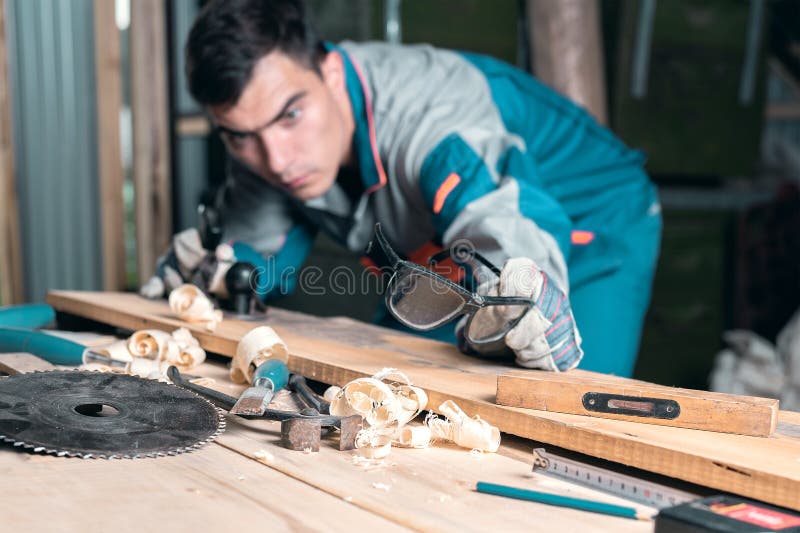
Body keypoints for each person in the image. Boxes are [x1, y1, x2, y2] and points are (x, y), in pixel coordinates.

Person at [140, 0, 662, 376]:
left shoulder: (431, 120)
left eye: (290, 116)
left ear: (332, 72)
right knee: (385, 391)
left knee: (548, 389)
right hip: (443, 243)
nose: (276, 160)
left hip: (589, 217)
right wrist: (212, 272)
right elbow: (257, 264)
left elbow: (506, 219)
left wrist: (525, 295)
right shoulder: (266, 141)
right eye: (242, 137)